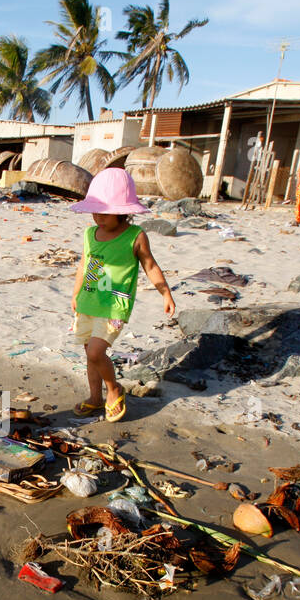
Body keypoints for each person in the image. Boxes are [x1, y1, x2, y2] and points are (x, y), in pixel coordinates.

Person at [68, 168, 176, 423]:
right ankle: (95, 397)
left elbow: (150, 266)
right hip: (88, 302)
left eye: (104, 213)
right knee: (89, 354)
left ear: (122, 210)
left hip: (115, 306)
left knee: (96, 352)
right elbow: (86, 265)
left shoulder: (135, 236)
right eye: (95, 211)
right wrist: (75, 294)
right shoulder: (89, 234)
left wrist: (165, 293)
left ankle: (113, 388)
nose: (98, 218)